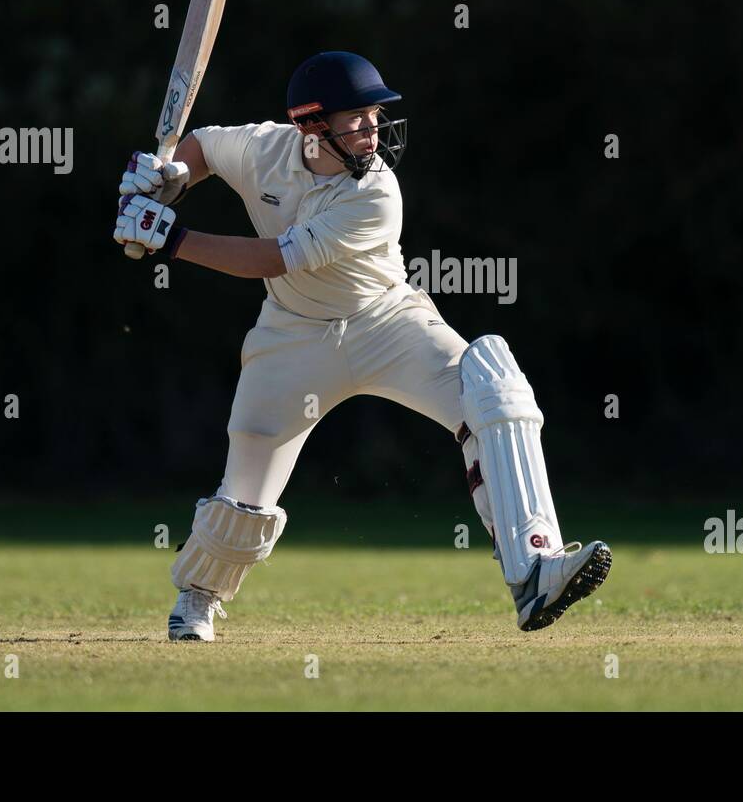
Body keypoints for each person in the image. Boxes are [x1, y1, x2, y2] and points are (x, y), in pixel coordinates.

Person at [114, 50, 611, 640]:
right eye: (358, 120)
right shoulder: (261, 147)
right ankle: (198, 600)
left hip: (387, 323)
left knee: (494, 386)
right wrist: (174, 176)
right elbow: (199, 143)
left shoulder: (376, 193)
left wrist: (168, 236)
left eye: (376, 116)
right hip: (292, 336)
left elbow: (273, 258)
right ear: (311, 126)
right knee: (245, 488)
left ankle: (535, 569)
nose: (374, 132)